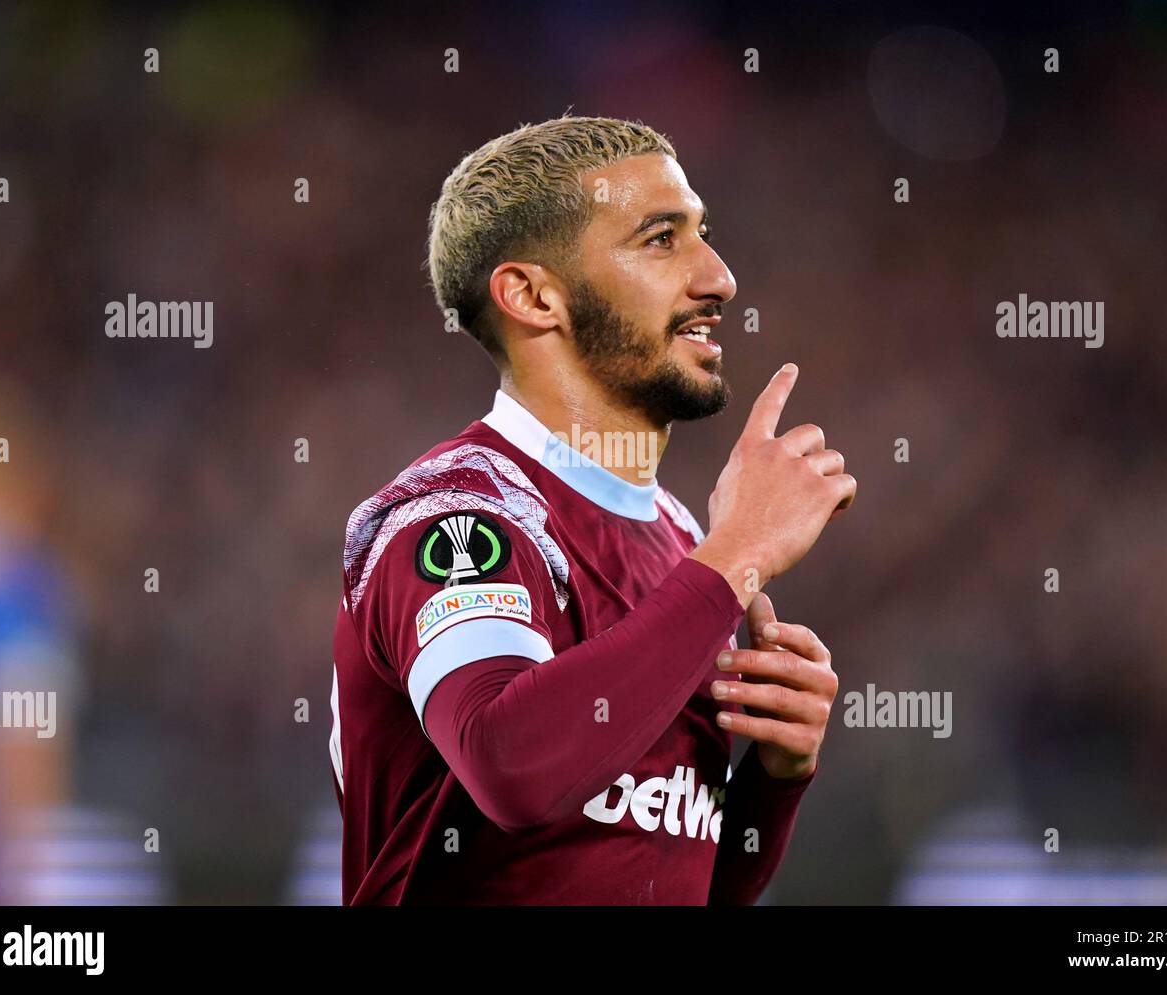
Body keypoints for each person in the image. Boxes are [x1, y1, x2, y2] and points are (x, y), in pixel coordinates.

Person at [330, 115, 856, 904]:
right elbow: (511, 769)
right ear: (535, 296)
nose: (719, 277)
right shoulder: (458, 516)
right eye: (659, 240)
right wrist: (735, 552)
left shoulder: (681, 545)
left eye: (702, 234)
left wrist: (777, 778)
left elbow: (669, 878)